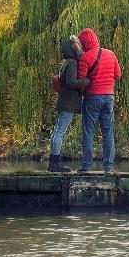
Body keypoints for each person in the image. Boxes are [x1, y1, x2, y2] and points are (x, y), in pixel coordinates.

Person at [76, 28, 122, 174]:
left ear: (84, 43)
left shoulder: (85, 58)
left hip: (92, 98)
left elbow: (82, 81)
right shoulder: (110, 53)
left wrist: (82, 92)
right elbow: (118, 75)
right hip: (108, 97)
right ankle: (108, 168)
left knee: (88, 132)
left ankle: (86, 166)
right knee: (108, 132)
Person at [49, 35, 88, 173]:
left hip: (64, 100)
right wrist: (86, 81)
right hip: (68, 102)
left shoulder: (66, 62)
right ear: (72, 49)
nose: (80, 47)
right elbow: (71, 82)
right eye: (76, 45)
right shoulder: (72, 63)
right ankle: (55, 163)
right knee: (60, 132)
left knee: (57, 131)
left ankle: (53, 163)